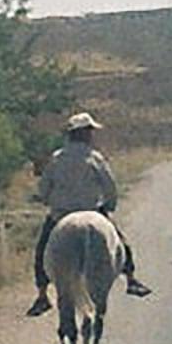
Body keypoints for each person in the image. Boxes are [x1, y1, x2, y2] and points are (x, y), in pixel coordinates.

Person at [26, 111, 148, 314]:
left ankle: (42, 294)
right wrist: (109, 205)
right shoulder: (95, 157)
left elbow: (44, 188)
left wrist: (48, 200)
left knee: (41, 251)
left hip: (61, 214)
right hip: (93, 211)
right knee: (121, 242)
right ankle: (131, 278)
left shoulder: (56, 158)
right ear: (86, 134)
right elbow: (109, 186)